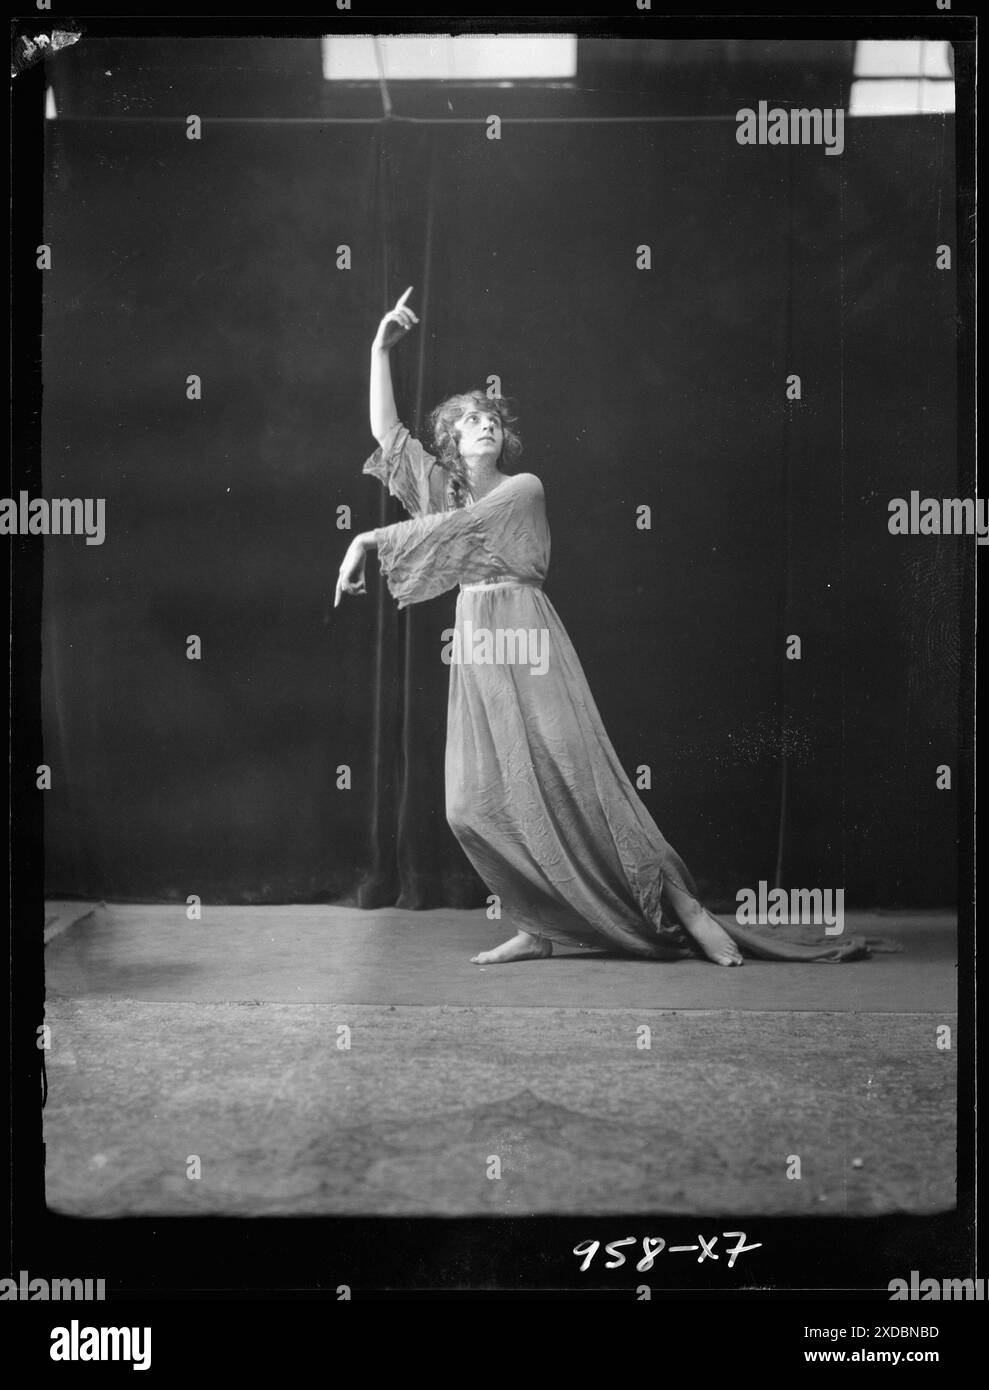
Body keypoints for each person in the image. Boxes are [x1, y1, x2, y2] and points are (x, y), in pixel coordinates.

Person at [336, 288, 877, 967]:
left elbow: (454, 532)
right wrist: (378, 350)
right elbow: (388, 439)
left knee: (578, 778)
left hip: (526, 636)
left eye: (491, 421)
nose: (483, 428)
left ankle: (681, 906)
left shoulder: (522, 486)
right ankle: (536, 924)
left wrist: (369, 541)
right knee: (472, 806)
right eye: (468, 422)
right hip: (476, 640)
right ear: (447, 439)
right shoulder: (439, 490)